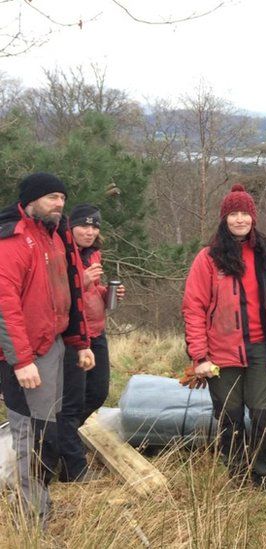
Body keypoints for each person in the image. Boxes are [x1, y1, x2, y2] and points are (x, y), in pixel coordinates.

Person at [182, 184, 266, 489]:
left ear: (253, 217)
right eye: (233, 214)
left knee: (263, 417)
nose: (240, 219)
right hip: (222, 352)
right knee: (230, 420)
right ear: (224, 218)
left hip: (264, 349)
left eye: (245, 213)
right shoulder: (208, 259)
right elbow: (194, 308)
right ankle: (238, 476)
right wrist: (200, 356)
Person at [0, 173, 93, 525]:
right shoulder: (13, 240)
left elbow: (71, 290)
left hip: (52, 346)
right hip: (23, 354)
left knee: (47, 430)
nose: (60, 204)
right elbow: (4, 305)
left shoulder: (53, 236)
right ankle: (32, 518)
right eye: (53, 197)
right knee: (29, 433)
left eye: (63, 198)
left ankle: (41, 502)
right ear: (31, 199)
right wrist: (21, 361)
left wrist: (80, 341)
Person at [56, 204, 126, 482]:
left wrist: (109, 293)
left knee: (97, 393)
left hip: (96, 332)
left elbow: (91, 294)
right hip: (72, 335)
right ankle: (73, 468)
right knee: (71, 403)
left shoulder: (92, 253)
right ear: (71, 227)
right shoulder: (61, 252)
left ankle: (65, 439)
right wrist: (82, 282)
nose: (89, 231)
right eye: (84, 225)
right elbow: (55, 295)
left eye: (94, 226)